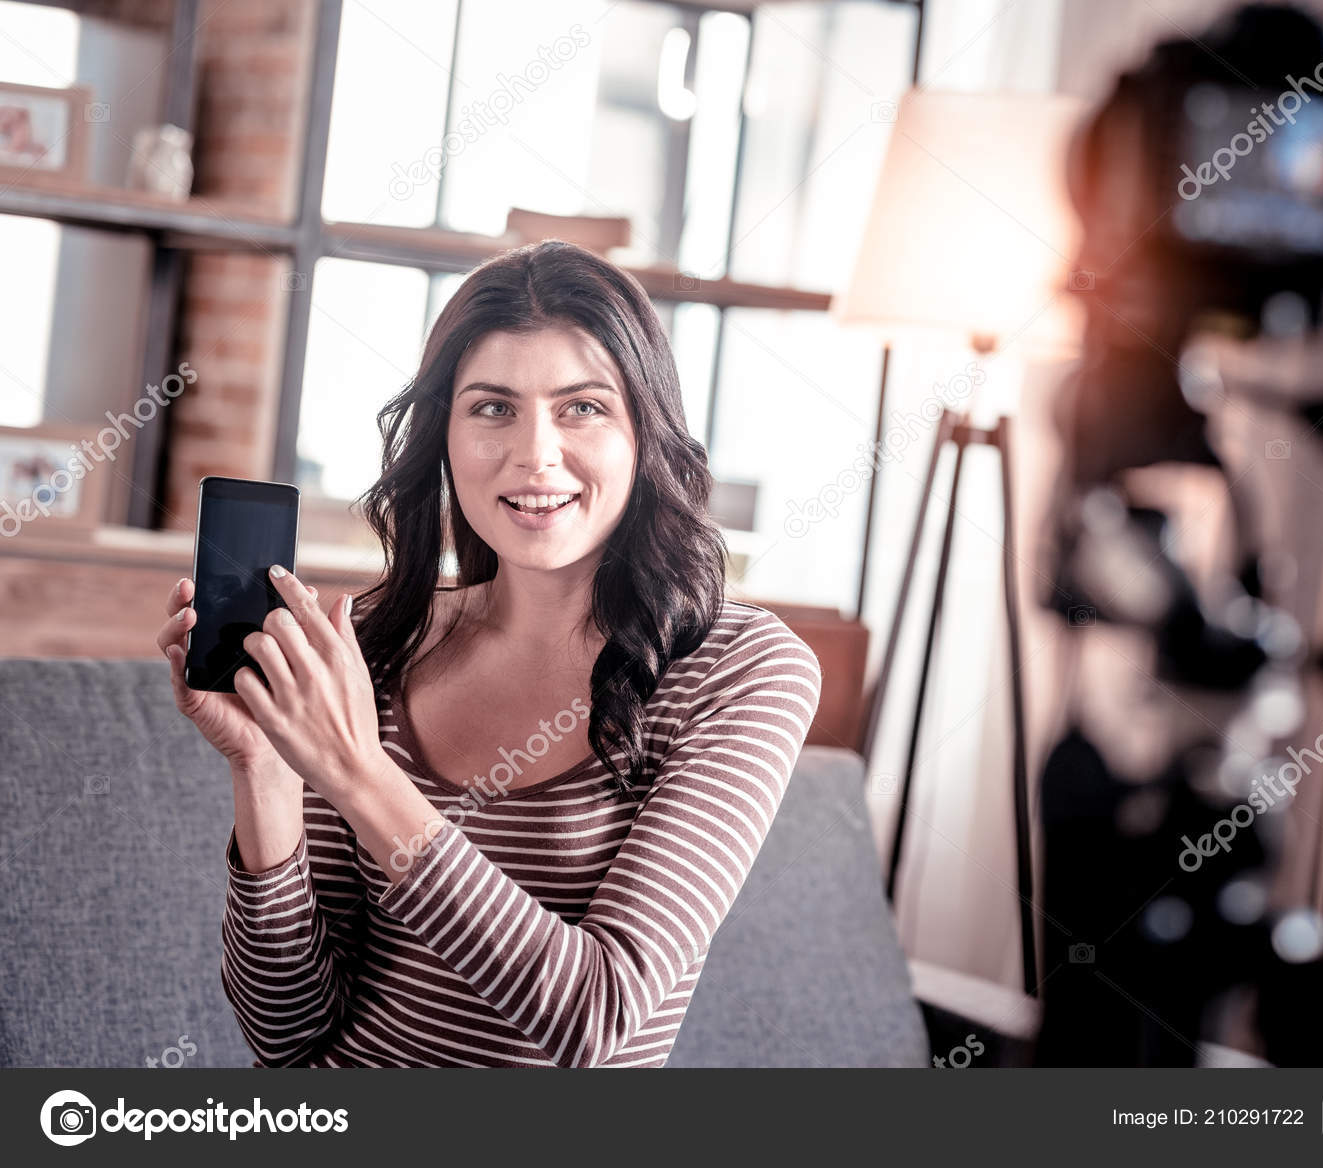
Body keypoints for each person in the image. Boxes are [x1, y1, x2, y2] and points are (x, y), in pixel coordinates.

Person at [153, 241, 822, 1067]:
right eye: (492, 408)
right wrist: (266, 767)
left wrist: (359, 774)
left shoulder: (738, 669)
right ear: (443, 436)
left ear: (645, 432)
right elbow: (286, 1034)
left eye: (583, 407)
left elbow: (596, 1018)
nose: (534, 455)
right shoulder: (374, 641)